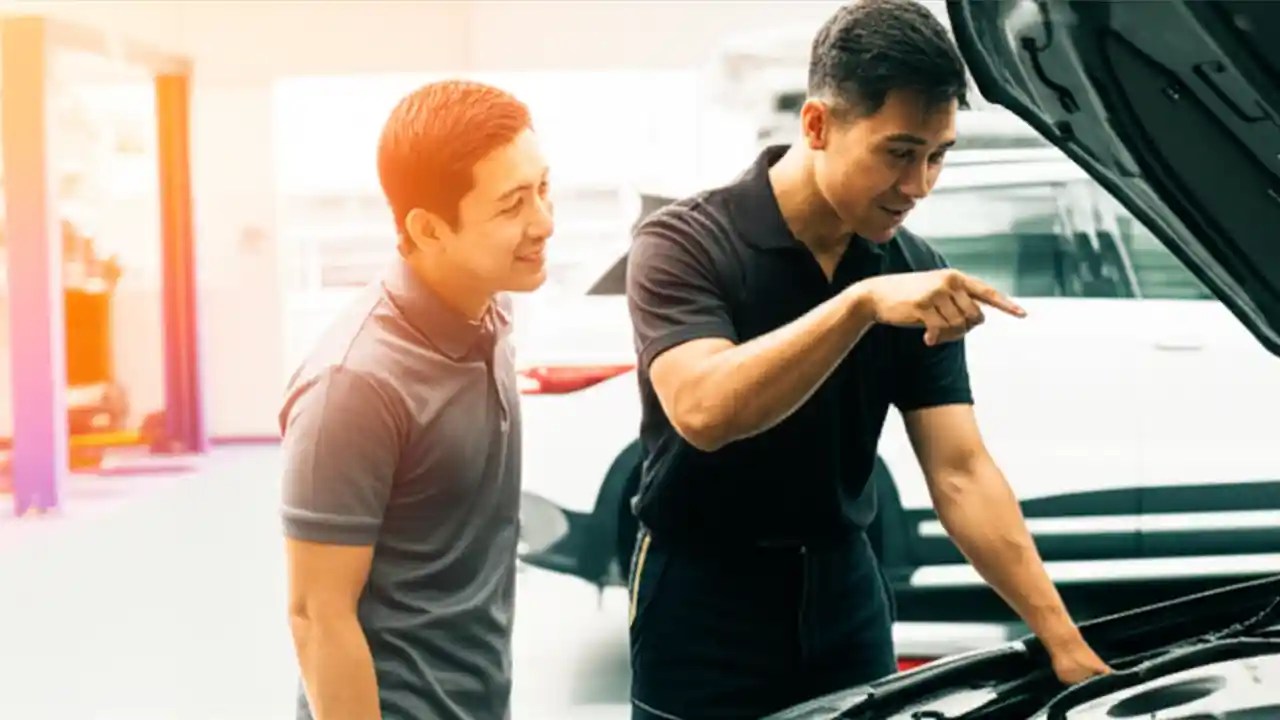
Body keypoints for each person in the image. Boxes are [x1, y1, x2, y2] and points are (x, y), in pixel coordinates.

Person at [624, 1, 1110, 717]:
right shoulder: (685, 244)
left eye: (938, 155)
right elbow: (704, 411)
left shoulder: (912, 265)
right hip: (701, 599)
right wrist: (858, 306)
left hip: (846, 594)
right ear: (817, 125)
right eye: (899, 152)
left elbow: (961, 471)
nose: (918, 186)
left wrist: (1063, 642)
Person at [278, 79, 553, 720]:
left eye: (543, 188)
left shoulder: (491, 313)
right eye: (512, 204)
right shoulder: (354, 385)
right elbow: (317, 619)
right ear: (428, 229)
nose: (543, 221)